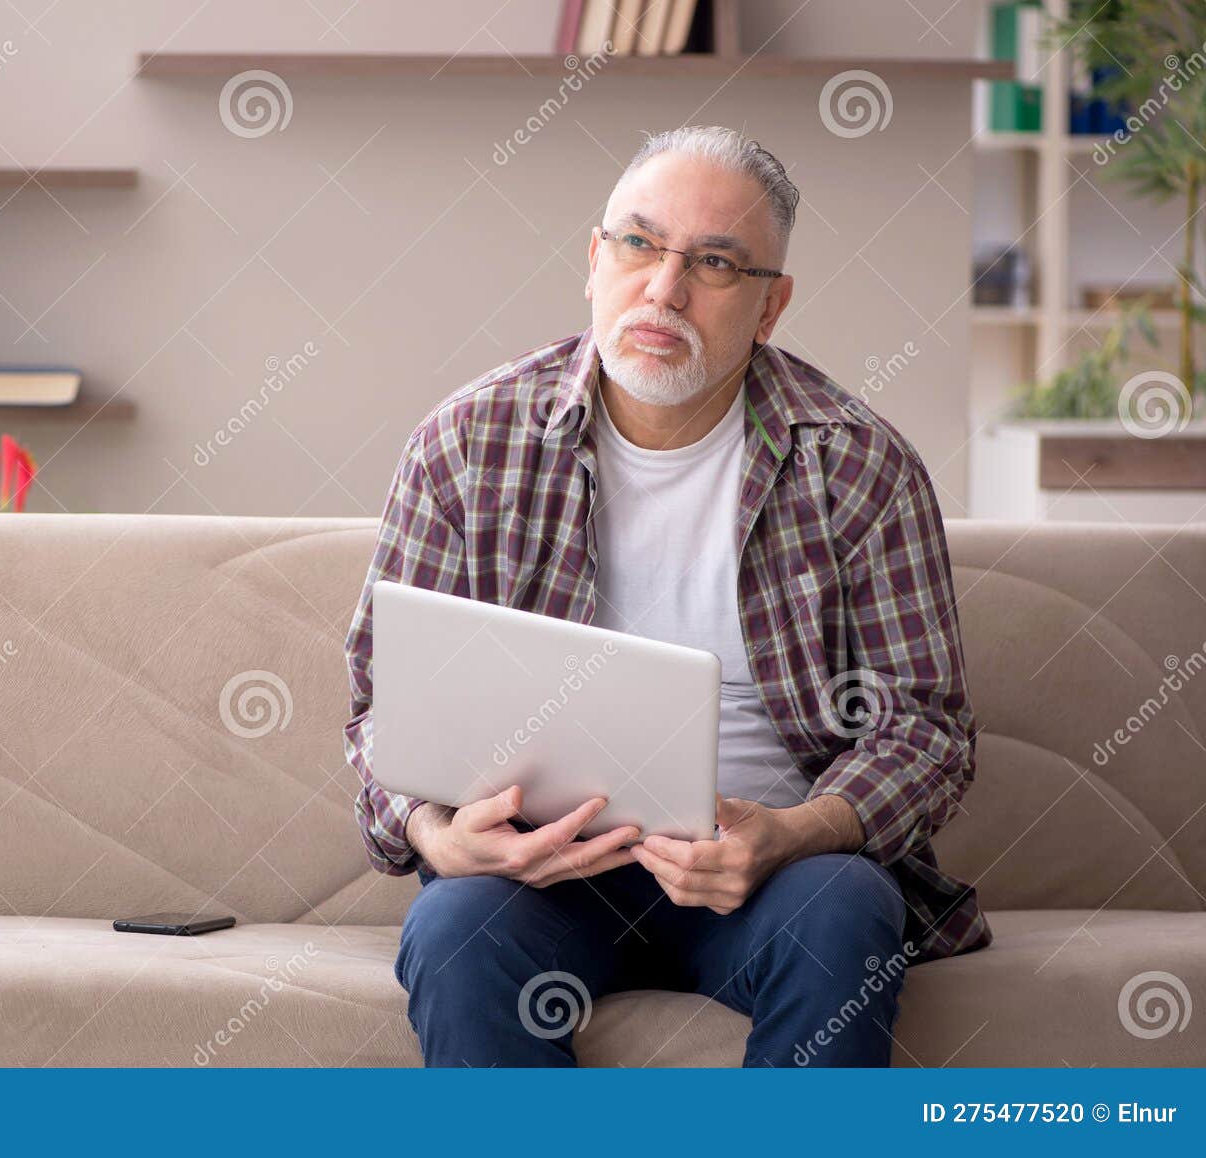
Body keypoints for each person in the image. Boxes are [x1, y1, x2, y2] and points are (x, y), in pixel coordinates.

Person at [341, 125, 992, 1068]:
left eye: (715, 263)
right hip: (543, 868)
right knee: (456, 933)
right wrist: (434, 835)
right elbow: (379, 705)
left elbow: (926, 728)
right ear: (594, 258)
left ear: (770, 306)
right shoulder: (466, 444)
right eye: (639, 244)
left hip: (770, 876)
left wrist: (793, 834)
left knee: (849, 912)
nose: (664, 288)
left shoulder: (859, 466)